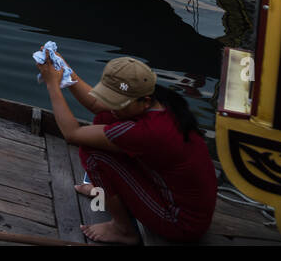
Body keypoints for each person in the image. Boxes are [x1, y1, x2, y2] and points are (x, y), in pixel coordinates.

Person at [36, 53, 217, 244]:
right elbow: (98, 105)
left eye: (118, 103)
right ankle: (106, 192)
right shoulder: (160, 100)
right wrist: (64, 70)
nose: (113, 107)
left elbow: (72, 133)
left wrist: (52, 85)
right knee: (105, 118)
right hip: (171, 191)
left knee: (94, 153)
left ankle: (123, 229)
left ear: (145, 101)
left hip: (180, 221)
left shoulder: (150, 131)